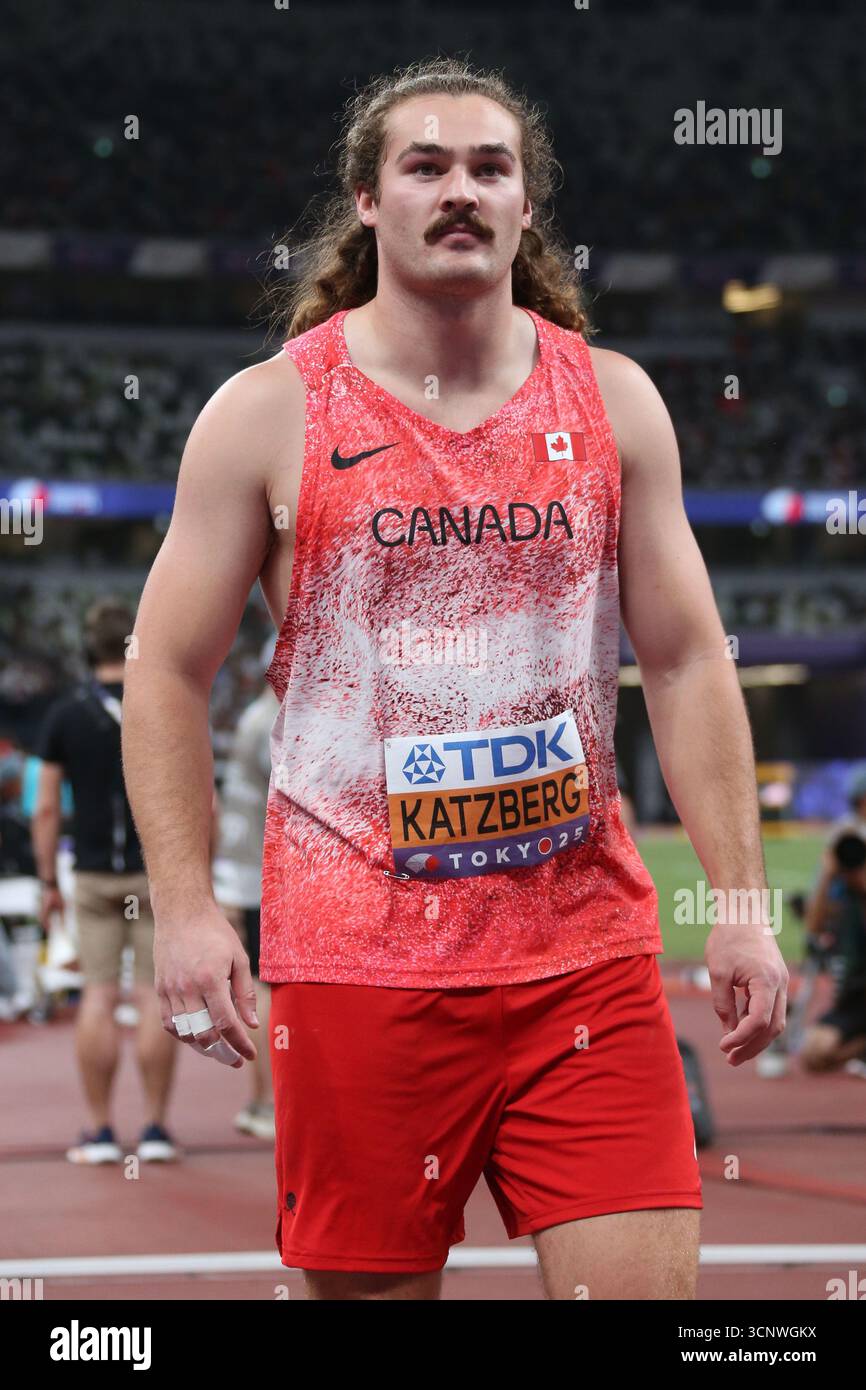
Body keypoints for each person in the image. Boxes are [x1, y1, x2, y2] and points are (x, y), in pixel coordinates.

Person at [122, 58, 787, 1300]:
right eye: (423, 165)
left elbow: (689, 658)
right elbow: (164, 667)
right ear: (366, 202)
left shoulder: (614, 405)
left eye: (490, 167)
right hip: (355, 964)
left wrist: (739, 900)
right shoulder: (266, 415)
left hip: (582, 956)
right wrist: (185, 906)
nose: (460, 189)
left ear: (526, 206)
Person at [32, 598, 179, 1163]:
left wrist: (48, 881)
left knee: (97, 994)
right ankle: (156, 1129)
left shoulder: (64, 714)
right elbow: (201, 798)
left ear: (87, 648)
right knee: (150, 996)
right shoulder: (158, 701)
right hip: (152, 874)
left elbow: (46, 807)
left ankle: (98, 1132)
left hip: (93, 876)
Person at [212, 637, 279, 1138]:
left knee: (261, 990)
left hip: (257, 876)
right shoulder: (277, 723)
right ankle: (271, 1104)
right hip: (269, 879)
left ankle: (266, 1104)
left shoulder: (259, 719)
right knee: (269, 991)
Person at [799, 830, 866, 1074]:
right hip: (854, 998)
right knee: (813, 1054)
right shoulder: (843, 898)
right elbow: (814, 926)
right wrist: (827, 874)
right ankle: (859, 1050)